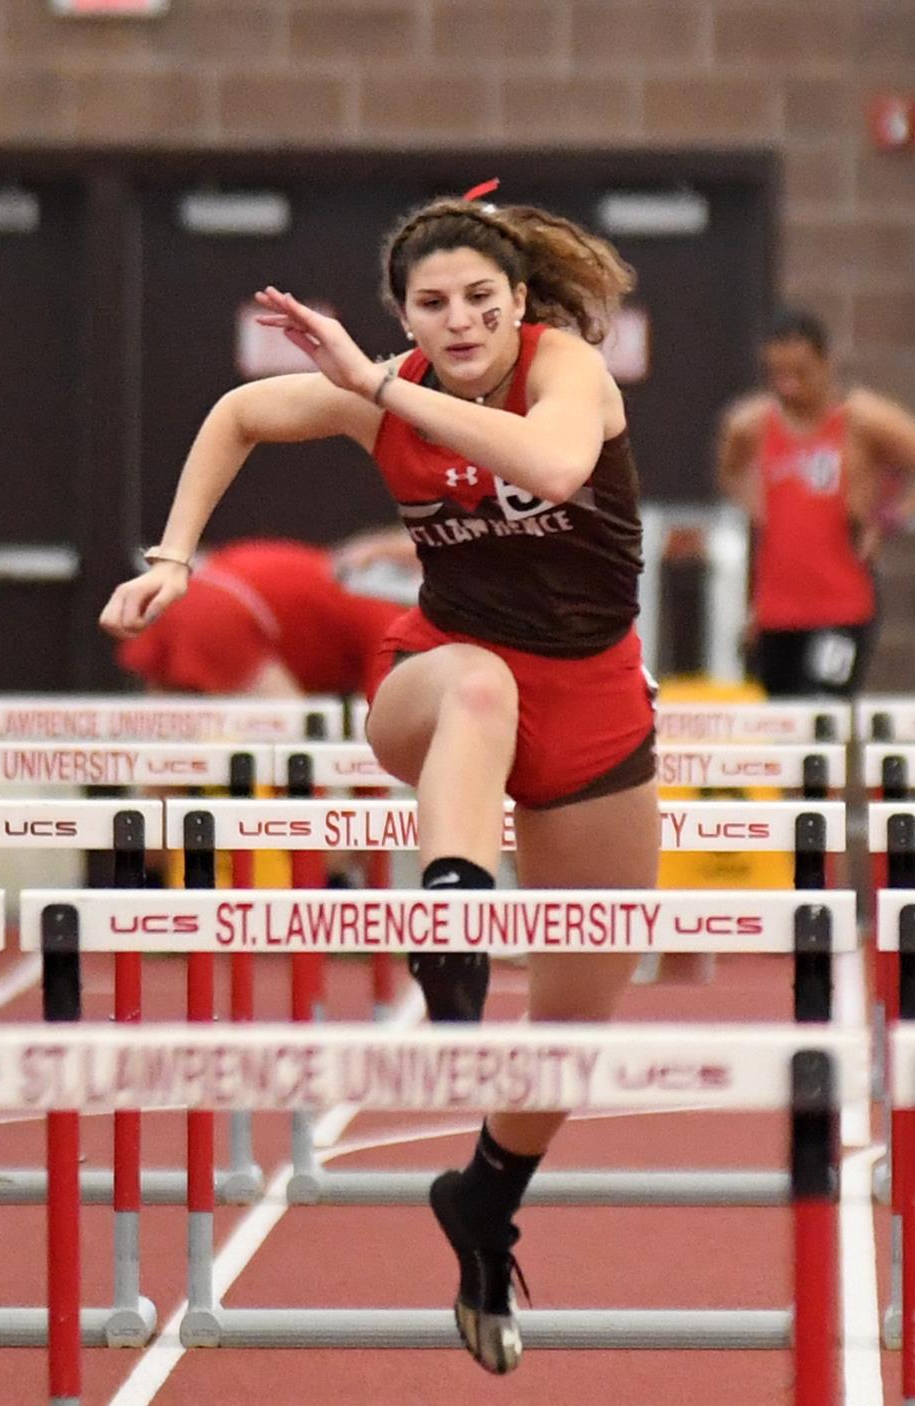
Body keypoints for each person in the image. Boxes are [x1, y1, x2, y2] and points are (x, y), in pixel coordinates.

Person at [99, 186, 653, 1375]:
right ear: (404, 314)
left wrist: (379, 389)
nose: (460, 322)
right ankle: (449, 909)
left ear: (518, 303)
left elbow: (557, 466)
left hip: (596, 700)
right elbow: (239, 413)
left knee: (576, 1019)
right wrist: (174, 558)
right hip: (439, 680)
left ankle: (485, 1197)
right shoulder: (382, 386)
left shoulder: (564, 373)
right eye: (432, 305)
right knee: (479, 685)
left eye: (480, 300)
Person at [714, 308, 915, 696]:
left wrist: (892, 516)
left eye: (800, 373)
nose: (789, 386)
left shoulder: (861, 419)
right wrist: (762, 512)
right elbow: (732, 475)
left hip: (841, 606)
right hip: (777, 610)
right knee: (781, 720)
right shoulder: (751, 425)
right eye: (778, 374)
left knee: (824, 707)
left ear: (825, 363)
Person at [113, 530, 415, 698]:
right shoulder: (386, 613)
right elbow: (378, 721)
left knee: (167, 759)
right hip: (222, 610)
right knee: (295, 749)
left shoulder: (348, 578)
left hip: (180, 596)